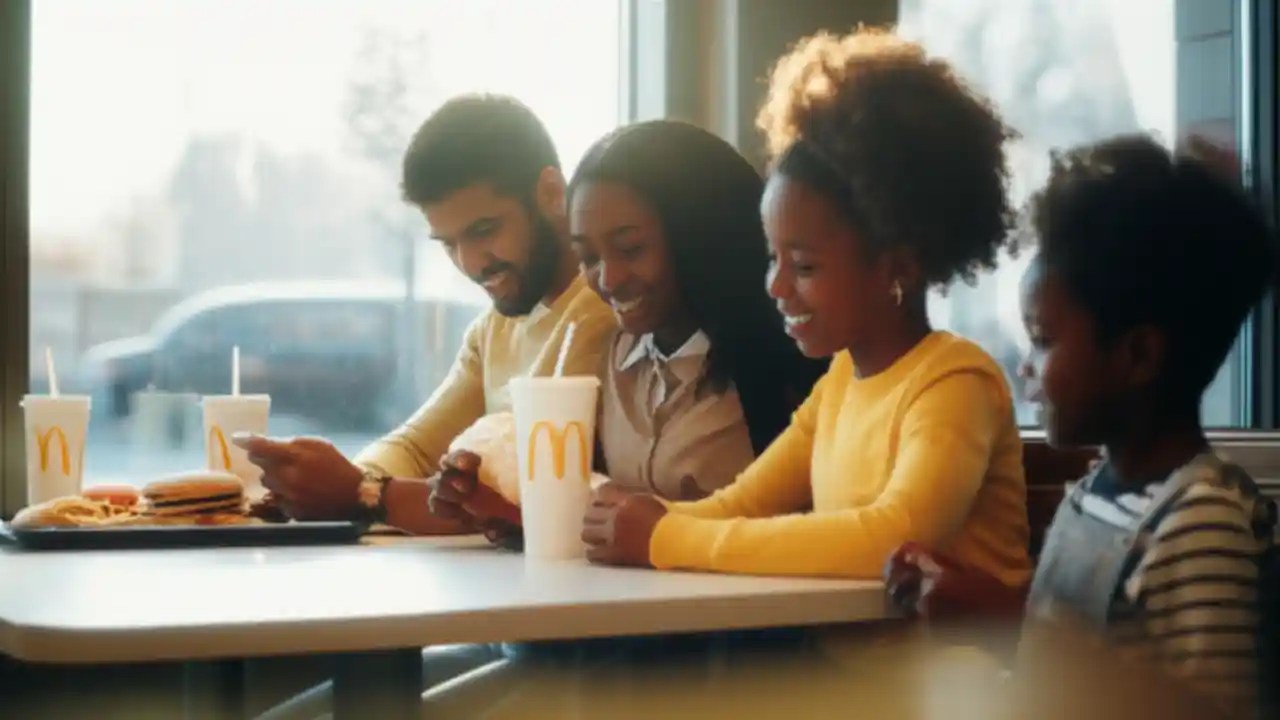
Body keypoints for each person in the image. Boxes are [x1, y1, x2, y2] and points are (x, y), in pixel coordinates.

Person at [580, 28, 1031, 588]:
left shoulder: (955, 384)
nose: (775, 287)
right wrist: (628, 520)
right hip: (860, 669)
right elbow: (740, 504)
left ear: (899, 266)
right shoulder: (842, 381)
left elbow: (893, 535)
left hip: (958, 670)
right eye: (772, 258)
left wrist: (667, 537)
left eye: (805, 266)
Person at [885, 135, 1277, 717]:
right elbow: (1082, 632)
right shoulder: (1098, 490)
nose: (1026, 366)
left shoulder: (1198, 521)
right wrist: (964, 590)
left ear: (1139, 356)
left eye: (1044, 341)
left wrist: (1006, 623)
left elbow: (1202, 709)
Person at [234, 95, 616, 535]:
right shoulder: (494, 329)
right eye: (449, 244)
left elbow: (516, 500)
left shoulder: (605, 310)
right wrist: (318, 486)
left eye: (484, 230)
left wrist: (360, 492)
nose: (471, 263)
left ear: (551, 194)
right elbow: (416, 448)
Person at [427, 119, 827, 539]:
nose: (608, 279)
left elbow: (804, 532)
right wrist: (497, 510)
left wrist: (657, 533)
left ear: (702, 235)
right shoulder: (613, 359)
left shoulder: (793, 364)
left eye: (630, 249)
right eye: (589, 257)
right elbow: (604, 521)